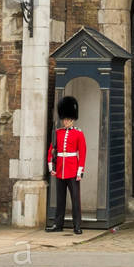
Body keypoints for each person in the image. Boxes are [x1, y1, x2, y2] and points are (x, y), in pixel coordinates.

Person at [46, 95, 86, 234]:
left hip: (73, 170)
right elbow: (52, 151)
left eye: (68, 119)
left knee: (75, 199)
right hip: (60, 170)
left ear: (73, 120)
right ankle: (58, 224)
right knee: (60, 200)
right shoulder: (57, 133)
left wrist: (80, 171)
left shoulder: (78, 134)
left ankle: (77, 225)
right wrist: (52, 167)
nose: (66, 122)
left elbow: (82, 152)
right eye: (64, 119)